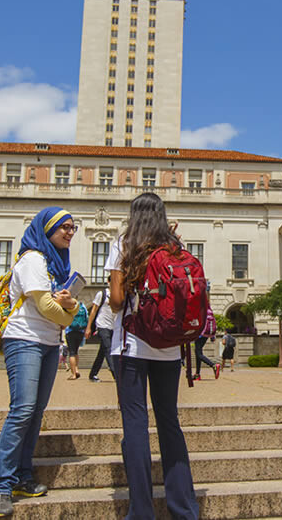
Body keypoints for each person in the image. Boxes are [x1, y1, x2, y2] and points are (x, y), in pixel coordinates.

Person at [107, 192, 200, 519]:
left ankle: (142, 511)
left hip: (132, 345)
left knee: (135, 422)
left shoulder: (125, 244)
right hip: (170, 347)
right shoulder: (174, 245)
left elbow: (117, 301)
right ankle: (184, 508)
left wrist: (114, 285)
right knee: (169, 422)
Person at [0, 207, 80, 517]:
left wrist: (66, 307)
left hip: (49, 343)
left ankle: (23, 474)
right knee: (22, 409)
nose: (69, 232)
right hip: (23, 339)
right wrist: (69, 312)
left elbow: (61, 306)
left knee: (35, 413)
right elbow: (45, 306)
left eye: (72, 227)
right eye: (63, 227)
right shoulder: (33, 259)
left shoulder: (57, 263)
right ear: (47, 228)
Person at [85, 288, 117, 382]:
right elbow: (93, 310)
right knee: (108, 348)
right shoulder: (102, 294)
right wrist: (88, 327)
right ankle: (116, 374)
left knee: (102, 352)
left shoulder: (119, 293)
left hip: (113, 326)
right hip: (102, 325)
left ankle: (93, 374)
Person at [63, 305, 89, 381]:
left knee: (71, 352)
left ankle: (73, 374)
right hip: (80, 331)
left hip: (70, 330)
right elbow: (86, 317)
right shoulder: (82, 306)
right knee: (76, 351)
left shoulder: (69, 306)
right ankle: (76, 369)